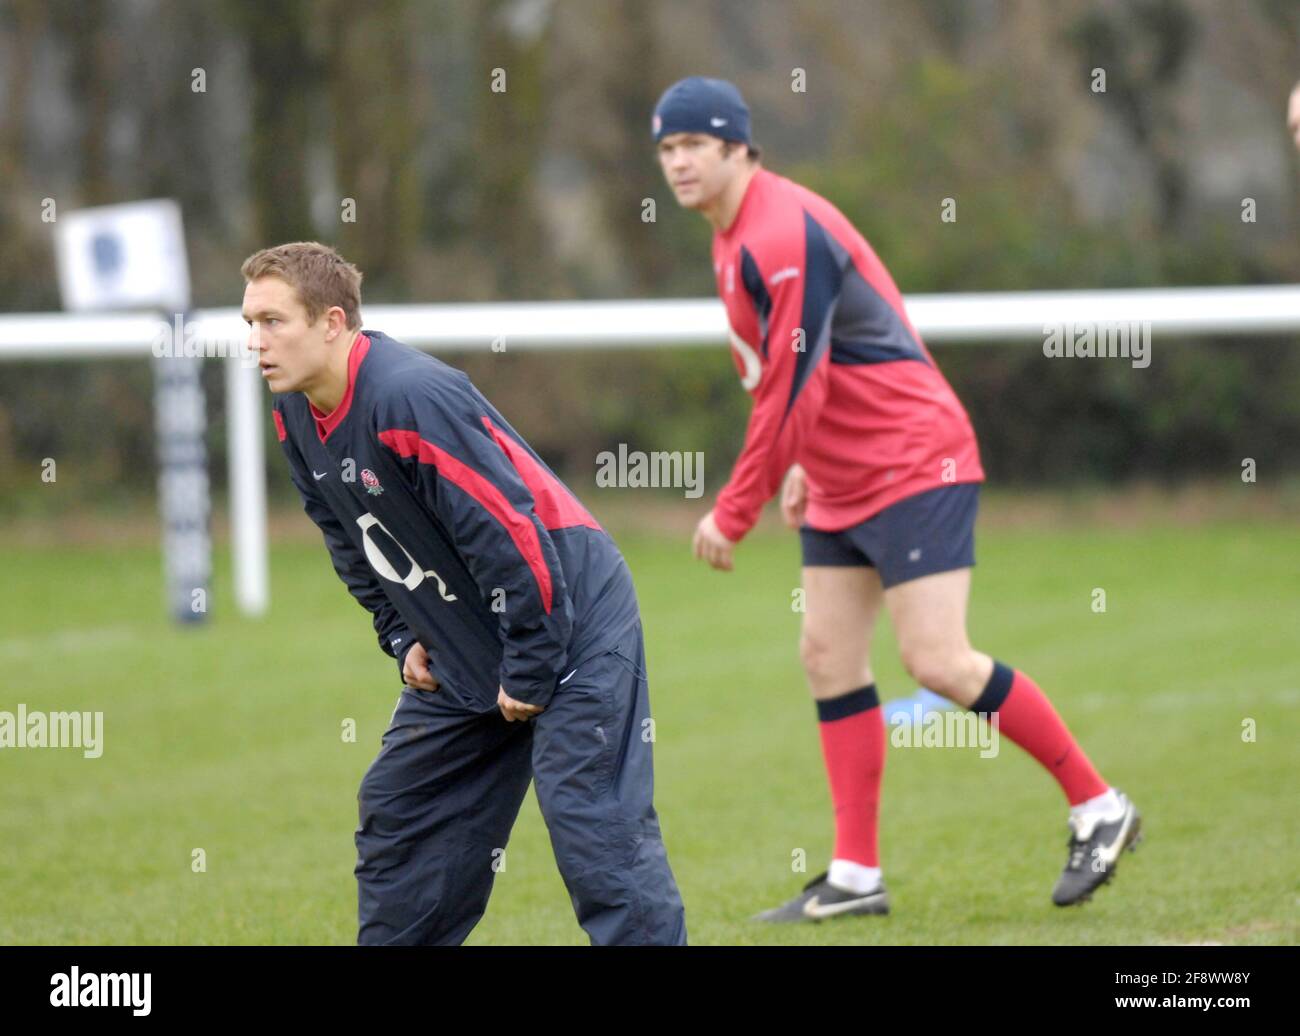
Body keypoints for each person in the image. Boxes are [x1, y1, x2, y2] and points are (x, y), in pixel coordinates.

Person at [652, 76, 1142, 920]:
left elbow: (791, 384)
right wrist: (802, 462)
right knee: (827, 657)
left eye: (694, 144)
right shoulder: (731, 235)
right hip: (843, 473)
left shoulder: (778, 230)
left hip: (916, 460)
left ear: (739, 147)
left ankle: (1099, 805)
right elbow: (792, 375)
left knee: (938, 662)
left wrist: (734, 508)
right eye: (666, 149)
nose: (678, 162)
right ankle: (854, 876)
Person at [240, 241, 686, 945]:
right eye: (250, 325)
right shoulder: (295, 412)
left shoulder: (409, 395)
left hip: (566, 621)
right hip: (465, 637)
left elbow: (510, 536)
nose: (256, 342)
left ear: (331, 322)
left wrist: (532, 666)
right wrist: (400, 631)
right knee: (404, 809)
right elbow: (345, 534)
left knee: (592, 830)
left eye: (272, 322)